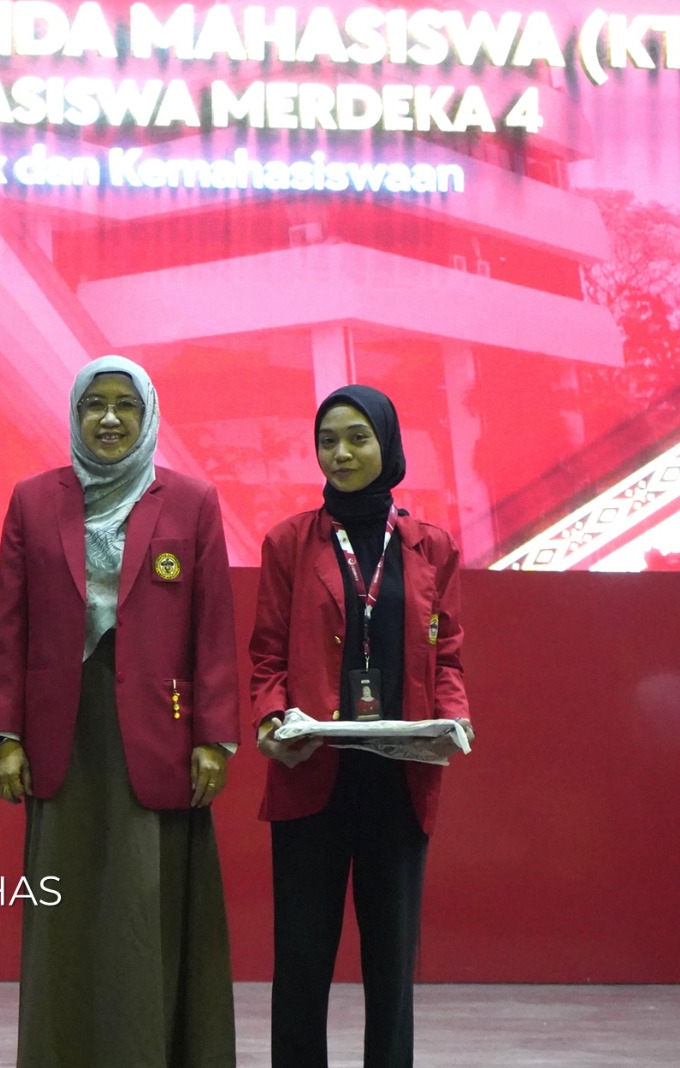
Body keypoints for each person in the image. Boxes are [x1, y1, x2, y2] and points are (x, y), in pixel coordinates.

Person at [0, 355, 239, 1068]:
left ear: (147, 414)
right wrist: (5, 737)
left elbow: (213, 630)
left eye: (126, 405)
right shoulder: (35, 500)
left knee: (142, 908)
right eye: (95, 403)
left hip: (160, 737)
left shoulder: (191, 501)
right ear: (74, 412)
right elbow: (9, 628)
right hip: (63, 734)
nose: (109, 418)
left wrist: (215, 740)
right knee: (62, 914)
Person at [250, 385, 473, 1068]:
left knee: (390, 967)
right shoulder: (289, 541)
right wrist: (270, 716)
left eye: (356, 437)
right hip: (311, 774)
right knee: (302, 962)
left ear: (387, 443)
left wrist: (453, 717)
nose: (340, 453)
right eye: (327, 441)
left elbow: (451, 656)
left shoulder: (431, 546)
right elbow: (265, 656)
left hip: (398, 781)